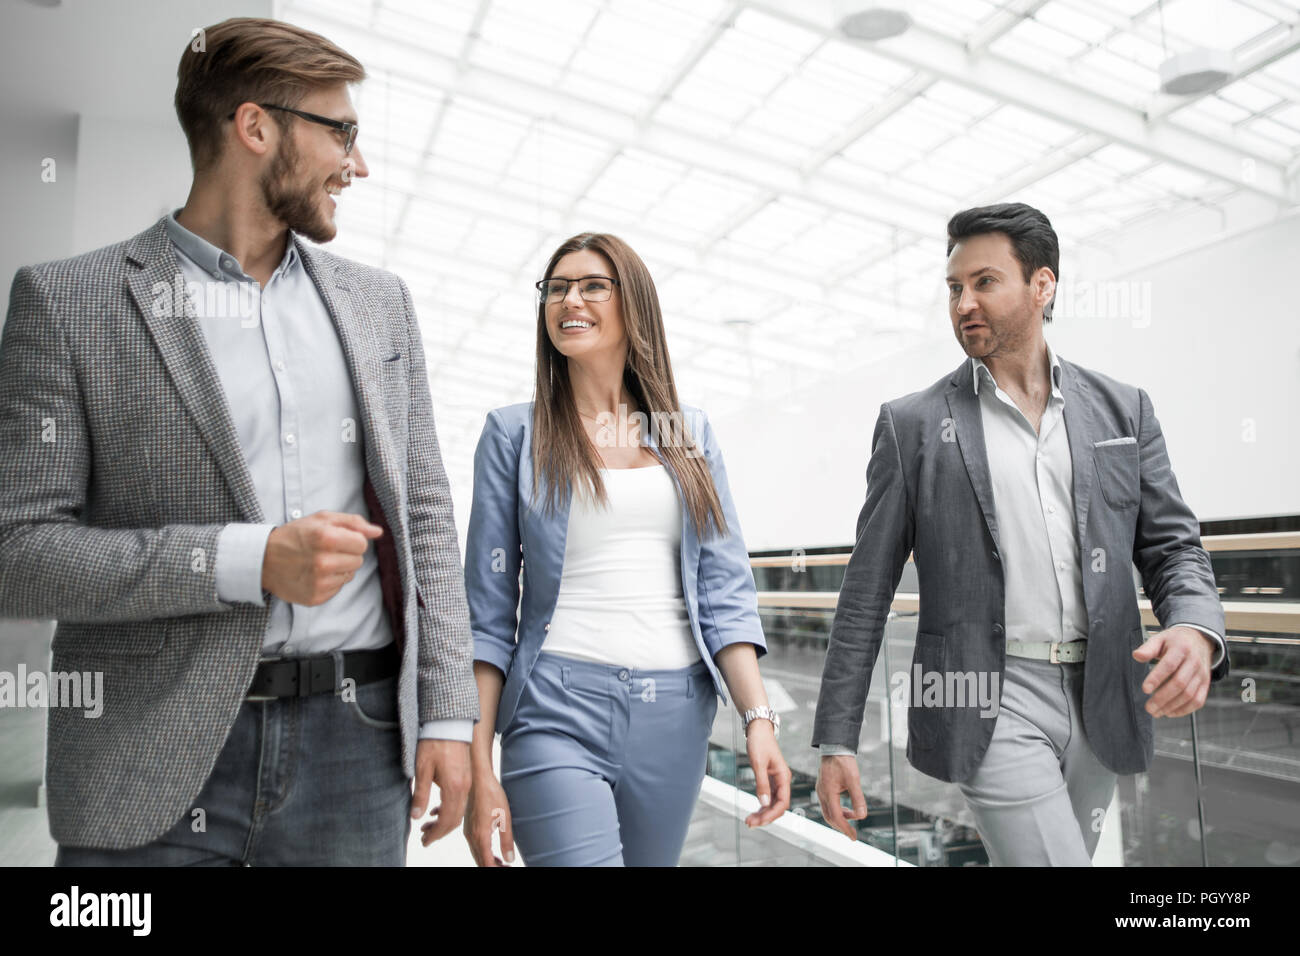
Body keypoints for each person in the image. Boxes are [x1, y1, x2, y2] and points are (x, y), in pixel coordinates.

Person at [0, 17, 477, 865]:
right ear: (257, 128)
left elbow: (428, 514)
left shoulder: (380, 305)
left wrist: (446, 713)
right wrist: (244, 560)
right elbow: (19, 553)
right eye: (343, 133)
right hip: (144, 755)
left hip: (357, 745)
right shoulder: (68, 304)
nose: (357, 165)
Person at [813, 203, 1228, 866]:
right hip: (988, 699)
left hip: (1103, 695)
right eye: (954, 288)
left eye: (984, 282)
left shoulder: (1124, 409)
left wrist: (1197, 629)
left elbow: (1172, 546)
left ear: (1042, 285)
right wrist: (837, 739)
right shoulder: (913, 425)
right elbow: (867, 590)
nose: (963, 303)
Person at [456, 232, 790, 866]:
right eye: (555, 288)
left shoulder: (686, 433)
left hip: (677, 714)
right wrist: (480, 768)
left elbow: (724, 591)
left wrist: (758, 718)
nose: (568, 300)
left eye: (590, 286)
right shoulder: (513, 434)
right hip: (555, 709)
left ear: (632, 302)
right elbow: (488, 617)